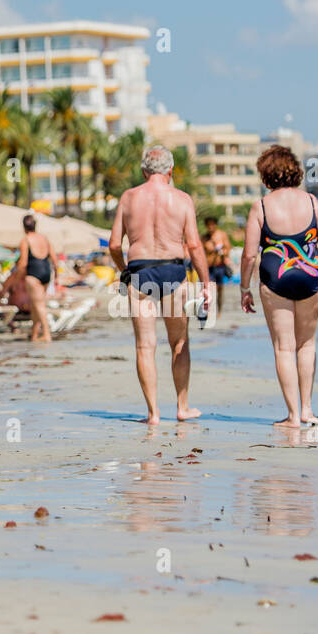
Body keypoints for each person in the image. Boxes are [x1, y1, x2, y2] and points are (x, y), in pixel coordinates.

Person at [239, 144, 318, 428]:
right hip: (311, 275)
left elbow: (249, 254)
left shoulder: (261, 206)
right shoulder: (312, 202)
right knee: (307, 344)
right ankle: (307, 410)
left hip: (276, 279)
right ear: (295, 172)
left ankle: (291, 415)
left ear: (265, 176)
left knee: (284, 348)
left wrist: (244, 288)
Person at [109, 144, 211, 424]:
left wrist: (125, 271)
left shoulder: (128, 198)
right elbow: (193, 244)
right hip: (173, 270)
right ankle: (182, 406)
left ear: (144, 171)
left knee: (145, 346)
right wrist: (206, 282)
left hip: (140, 271)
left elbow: (115, 244)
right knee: (179, 342)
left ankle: (153, 413)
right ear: (171, 170)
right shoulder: (182, 199)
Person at [15, 214, 54, 343]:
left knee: (39, 305)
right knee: (35, 305)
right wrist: (57, 276)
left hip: (34, 274)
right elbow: (54, 259)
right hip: (46, 272)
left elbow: (23, 263)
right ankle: (35, 334)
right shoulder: (45, 239)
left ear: (23, 226)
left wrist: (17, 279)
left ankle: (47, 334)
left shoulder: (26, 240)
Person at [203, 216, 232, 314]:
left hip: (220, 265)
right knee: (210, 288)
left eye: (212, 224)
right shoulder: (204, 238)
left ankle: (219, 309)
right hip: (209, 266)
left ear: (215, 225)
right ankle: (210, 309)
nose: (210, 227)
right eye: (208, 225)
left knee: (220, 288)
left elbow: (228, 248)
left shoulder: (222, 235)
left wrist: (223, 252)